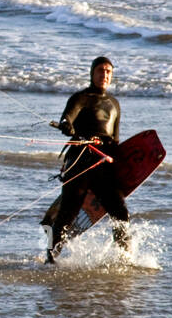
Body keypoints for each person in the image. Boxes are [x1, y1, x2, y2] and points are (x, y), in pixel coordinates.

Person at [46, 56, 130, 262]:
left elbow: (115, 140)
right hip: (80, 162)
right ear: (92, 73)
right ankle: (50, 258)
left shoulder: (114, 104)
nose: (105, 75)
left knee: (120, 213)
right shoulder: (80, 98)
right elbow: (68, 117)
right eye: (101, 70)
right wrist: (67, 125)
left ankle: (124, 257)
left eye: (109, 71)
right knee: (67, 214)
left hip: (103, 165)